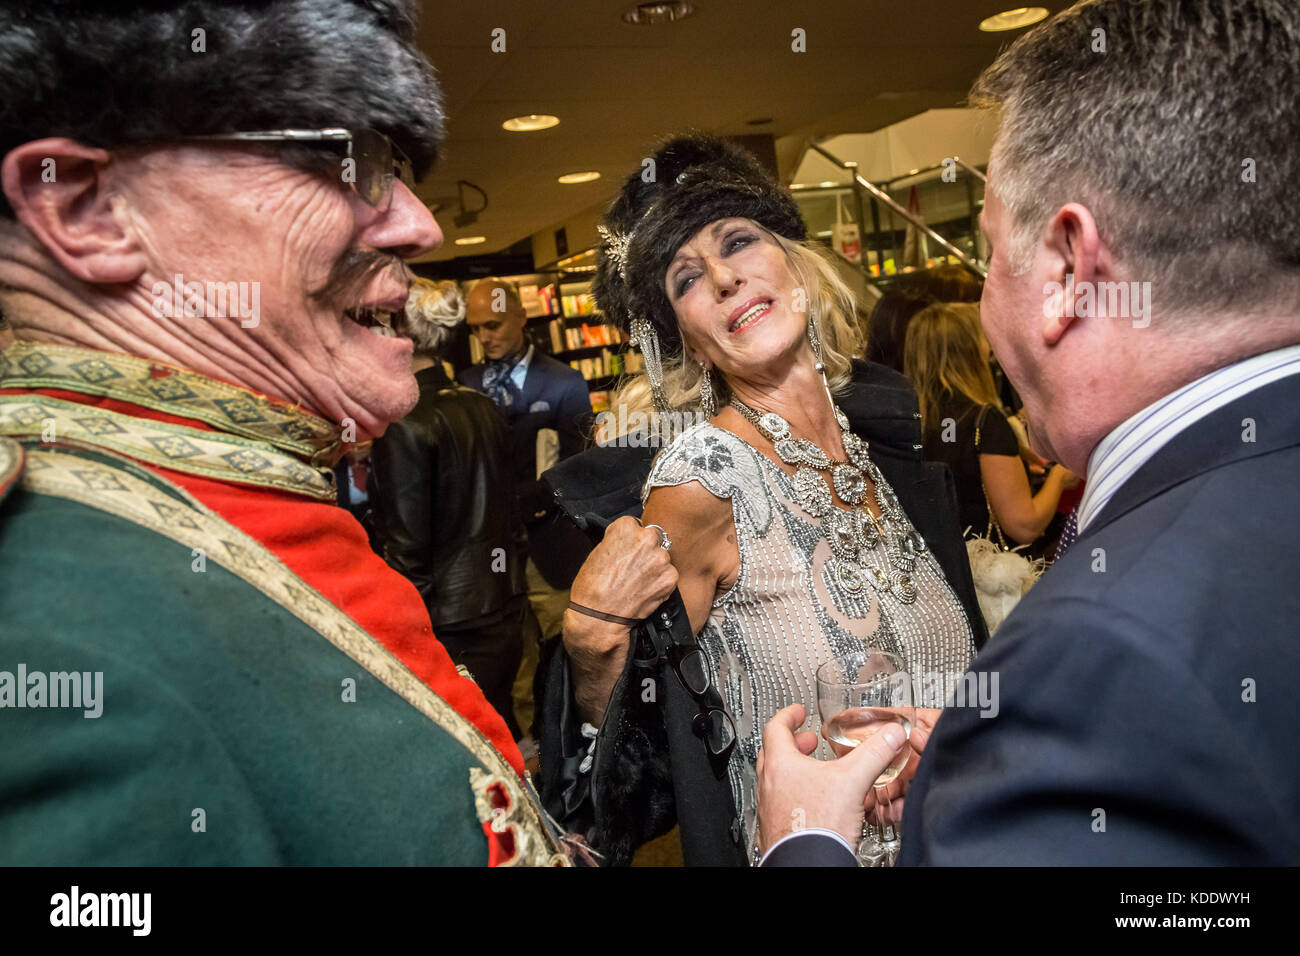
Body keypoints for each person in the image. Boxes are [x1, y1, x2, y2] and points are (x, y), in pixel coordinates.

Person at [0, 0, 563, 865]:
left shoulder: (243, 491)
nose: (420, 225)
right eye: (347, 159)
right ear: (86, 211)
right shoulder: (45, 644)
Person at [756, 0, 1300, 865]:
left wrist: (805, 840)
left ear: (1063, 269)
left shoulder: (1095, 655)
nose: (983, 301)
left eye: (988, 255)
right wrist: (992, 773)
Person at [543, 135, 982, 865]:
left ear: (792, 260)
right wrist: (590, 645)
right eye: (685, 280)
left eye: (739, 241)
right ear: (688, 343)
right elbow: (648, 759)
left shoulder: (884, 456)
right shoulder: (703, 479)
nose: (722, 278)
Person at [369, 278, 533, 740]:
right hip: (503, 606)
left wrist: (407, 637)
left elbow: (407, 549)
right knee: (504, 733)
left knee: (464, 744)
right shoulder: (481, 406)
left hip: (449, 623)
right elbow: (511, 509)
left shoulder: (403, 424)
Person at [459, 278, 592, 738]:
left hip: (550, 548)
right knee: (513, 666)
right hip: (492, 557)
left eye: (493, 324)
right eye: (476, 329)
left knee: (565, 657)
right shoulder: (466, 386)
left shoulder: (563, 382)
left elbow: (577, 468)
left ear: (521, 316)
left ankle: (573, 754)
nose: (485, 336)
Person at [905, 300, 1078, 545]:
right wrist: (1059, 477)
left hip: (937, 564)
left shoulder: (909, 418)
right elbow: (1024, 526)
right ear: (970, 349)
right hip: (986, 571)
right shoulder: (984, 422)